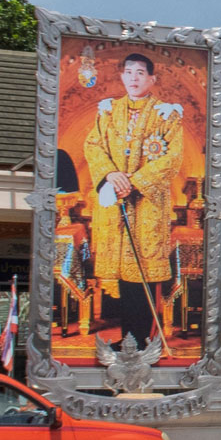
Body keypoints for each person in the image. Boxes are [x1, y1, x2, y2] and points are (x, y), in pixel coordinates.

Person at [84, 52, 184, 345]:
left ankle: (142, 338)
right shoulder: (108, 110)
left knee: (143, 275)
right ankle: (129, 338)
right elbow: (93, 145)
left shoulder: (167, 113)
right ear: (122, 77)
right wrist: (111, 175)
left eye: (140, 73)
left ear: (152, 79)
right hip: (116, 202)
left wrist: (135, 182)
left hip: (148, 205)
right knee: (122, 277)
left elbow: (172, 158)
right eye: (129, 72)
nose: (134, 78)